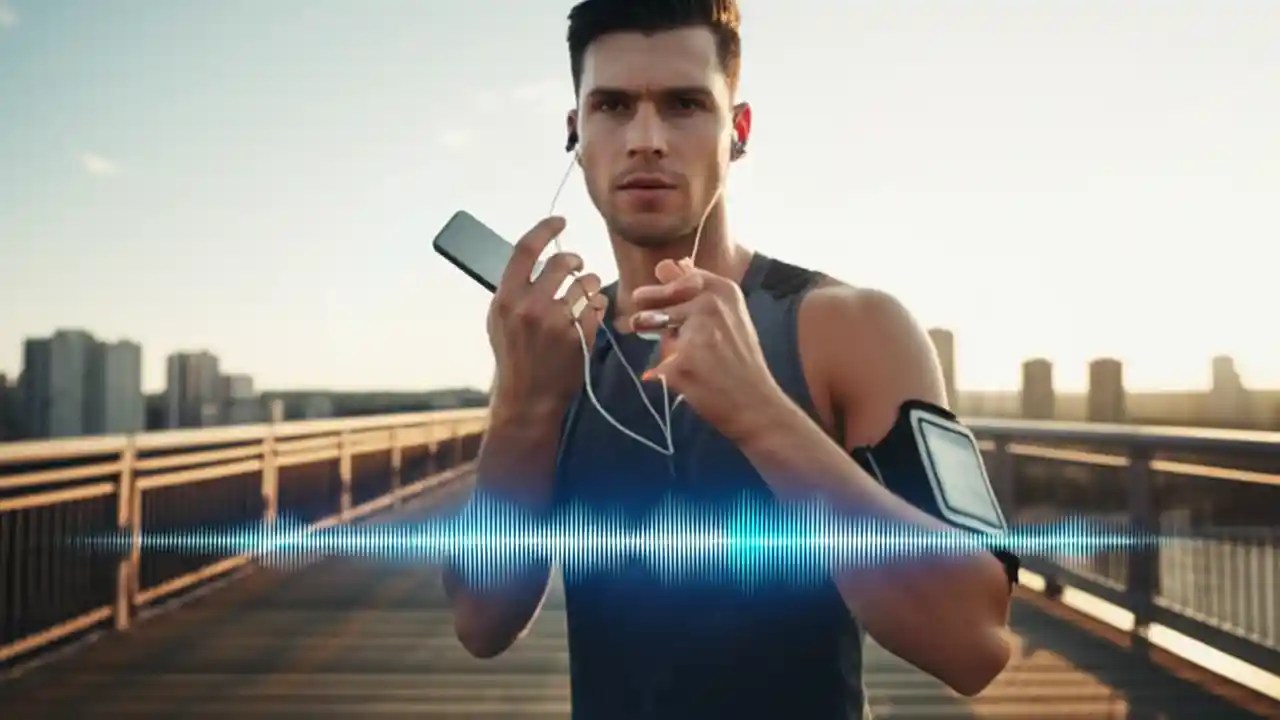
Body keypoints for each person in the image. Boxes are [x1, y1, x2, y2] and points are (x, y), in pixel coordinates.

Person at [443, 1, 1017, 717]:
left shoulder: (849, 326)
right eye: (613, 106)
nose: (645, 139)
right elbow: (481, 621)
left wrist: (762, 413)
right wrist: (524, 411)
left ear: (737, 131)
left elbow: (972, 643)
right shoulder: (559, 346)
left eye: (684, 105)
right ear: (575, 133)